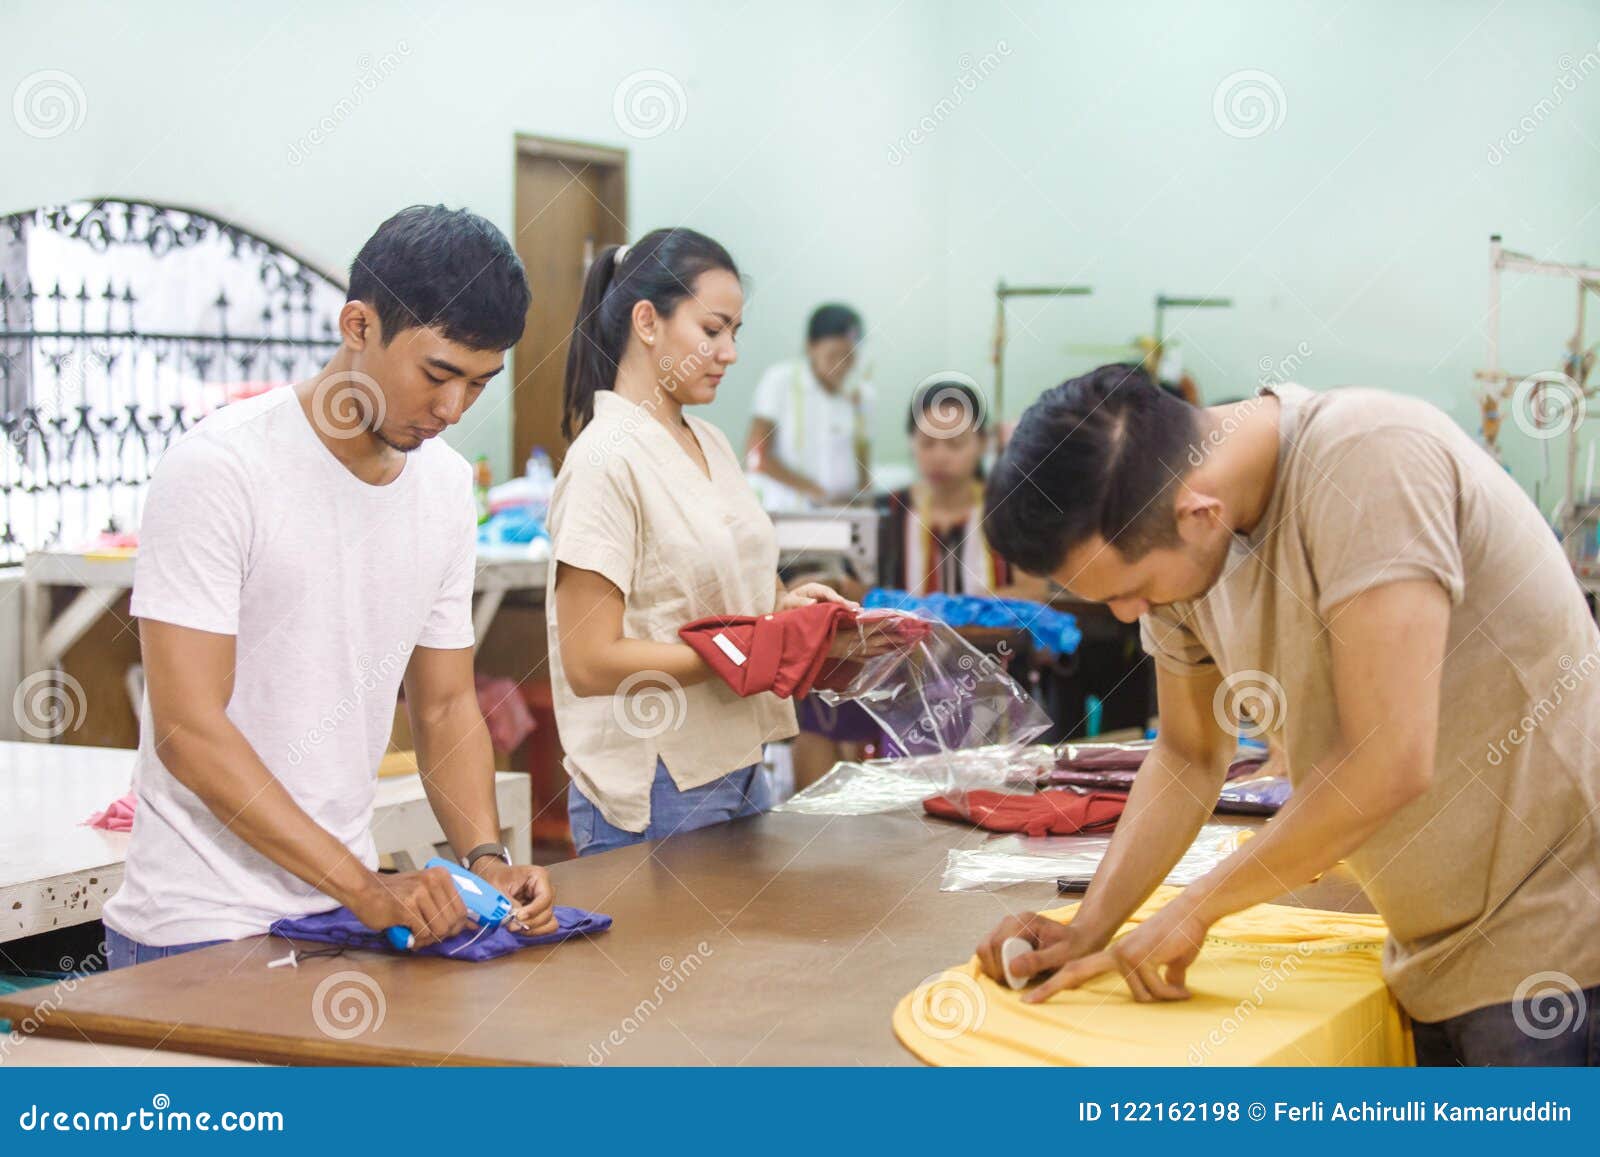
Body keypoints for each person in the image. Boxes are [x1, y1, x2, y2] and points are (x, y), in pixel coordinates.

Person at [975, 363, 1600, 1066]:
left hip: (1556, 938)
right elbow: (1188, 755)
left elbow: (1387, 757)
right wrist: (1091, 925)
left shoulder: (1371, 462)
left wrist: (1197, 906)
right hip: (1432, 944)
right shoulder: (1184, 531)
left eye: (1136, 589)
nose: (1128, 614)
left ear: (1198, 514)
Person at [103, 205, 558, 968]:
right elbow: (188, 730)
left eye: (479, 385)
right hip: (198, 927)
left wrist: (485, 860)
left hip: (338, 915)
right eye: (437, 374)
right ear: (358, 325)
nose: (451, 410)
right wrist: (367, 887)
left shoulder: (444, 487)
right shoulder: (222, 468)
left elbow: (444, 704)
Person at [549, 230, 890, 856]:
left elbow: (720, 601)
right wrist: (749, 646)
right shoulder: (604, 459)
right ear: (647, 321)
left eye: (735, 332)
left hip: (737, 759)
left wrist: (790, 613)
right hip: (660, 779)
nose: (729, 352)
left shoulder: (710, 443)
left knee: (741, 952)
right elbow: (590, 662)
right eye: (712, 331)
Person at [791, 379, 1049, 789]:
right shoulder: (889, 511)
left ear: (982, 445)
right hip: (896, 666)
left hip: (986, 665)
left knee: (972, 698)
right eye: (928, 443)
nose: (939, 456)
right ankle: (816, 824)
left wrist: (945, 611)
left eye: (954, 444)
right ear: (912, 444)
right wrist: (821, 583)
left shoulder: (1008, 509)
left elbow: (1033, 594)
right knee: (814, 701)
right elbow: (862, 588)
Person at [745, 303, 872, 509]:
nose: (841, 365)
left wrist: (864, 504)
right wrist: (815, 492)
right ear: (810, 347)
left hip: (840, 512)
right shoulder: (780, 380)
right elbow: (756, 453)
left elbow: (863, 463)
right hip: (785, 510)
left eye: (849, 356)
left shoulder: (862, 395)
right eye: (833, 355)